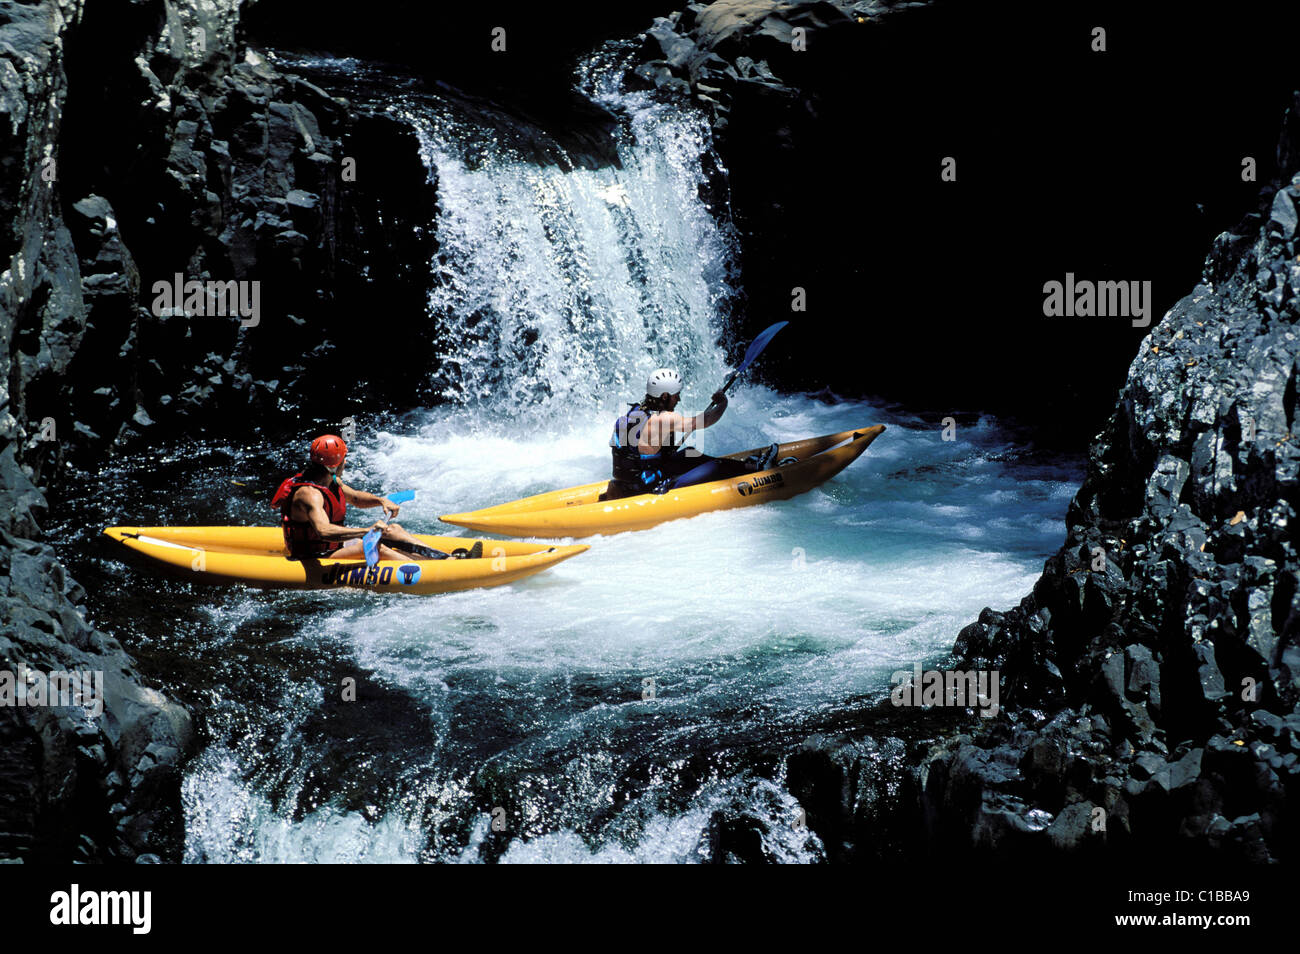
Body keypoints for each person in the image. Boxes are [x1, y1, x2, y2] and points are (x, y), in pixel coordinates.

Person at [272, 435, 481, 561]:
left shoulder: (329, 480)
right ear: (336, 464)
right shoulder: (309, 495)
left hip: (332, 548)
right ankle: (437, 570)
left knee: (394, 530)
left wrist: (381, 501)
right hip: (314, 555)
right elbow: (324, 531)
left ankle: (446, 558)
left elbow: (355, 498)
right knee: (377, 547)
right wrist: (365, 531)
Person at [603, 368, 781, 500]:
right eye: (675, 395)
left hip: (628, 483)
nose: (678, 399)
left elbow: (640, 452)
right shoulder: (664, 419)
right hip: (649, 488)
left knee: (689, 454)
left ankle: (748, 466)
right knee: (717, 466)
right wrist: (723, 404)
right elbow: (703, 422)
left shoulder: (633, 413)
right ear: (664, 396)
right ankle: (760, 469)